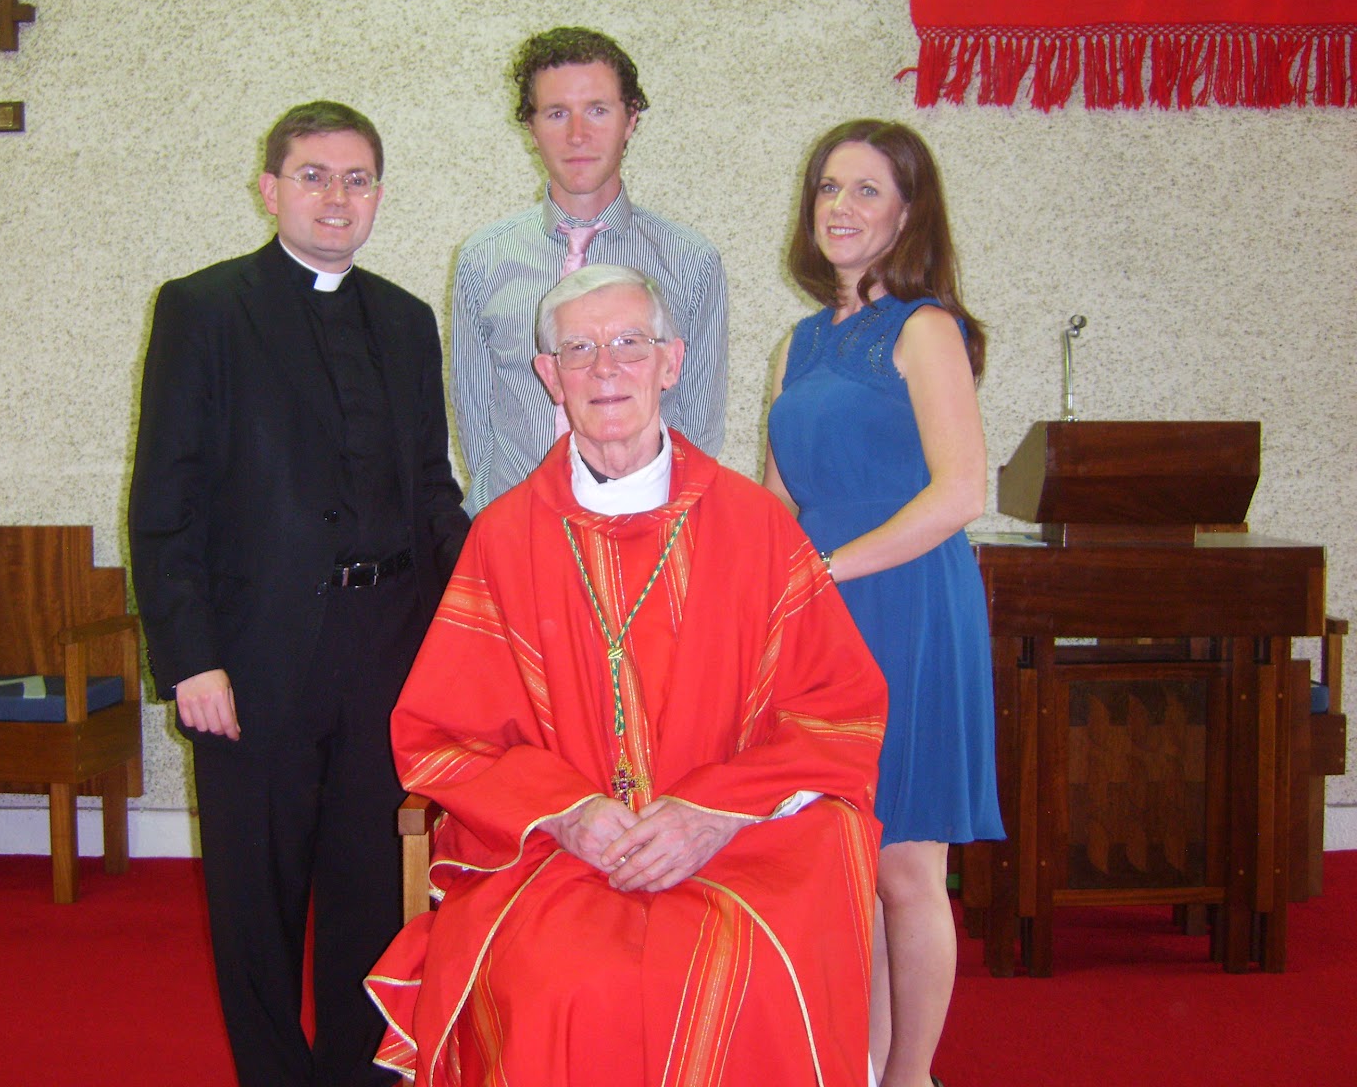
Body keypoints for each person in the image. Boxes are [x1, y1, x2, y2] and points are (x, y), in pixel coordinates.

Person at [366, 265, 887, 1087]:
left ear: (671, 362)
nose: (606, 368)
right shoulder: (504, 538)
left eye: (629, 344)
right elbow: (442, 733)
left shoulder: (757, 530)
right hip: (558, 854)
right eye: (579, 349)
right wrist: (565, 811)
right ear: (549, 376)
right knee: (562, 985)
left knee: (736, 968)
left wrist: (714, 813)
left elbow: (838, 710)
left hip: (737, 841)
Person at [129, 100, 470, 1087]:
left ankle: (354, 1077)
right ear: (269, 188)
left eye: (356, 179)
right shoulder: (204, 309)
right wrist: (189, 656)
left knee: (369, 885)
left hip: (385, 651)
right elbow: (165, 501)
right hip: (252, 656)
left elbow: (430, 490)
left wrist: (496, 590)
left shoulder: (405, 321)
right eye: (314, 176)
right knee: (257, 898)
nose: (336, 196)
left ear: (377, 198)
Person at [763, 120, 1005, 1087]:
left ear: (909, 212)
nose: (841, 208)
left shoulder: (924, 328)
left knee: (907, 868)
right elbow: (776, 502)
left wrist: (828, 572)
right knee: (841, 863)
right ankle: (858, 1068)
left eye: (868, 191)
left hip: (905, 605)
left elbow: (959, 494)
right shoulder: (800, 341)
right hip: (817, 615)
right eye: (829, 187)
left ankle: (912, 1077)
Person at [451, 26, 728, 514]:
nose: (578, 135)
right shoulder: (482, 259)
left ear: (631, 120)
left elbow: (698, 426)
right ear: (531, 129)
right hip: (522, 533)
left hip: (646, 529)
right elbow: (478, 425)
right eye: (557, 114)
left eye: (598, 111)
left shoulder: (689, 262)